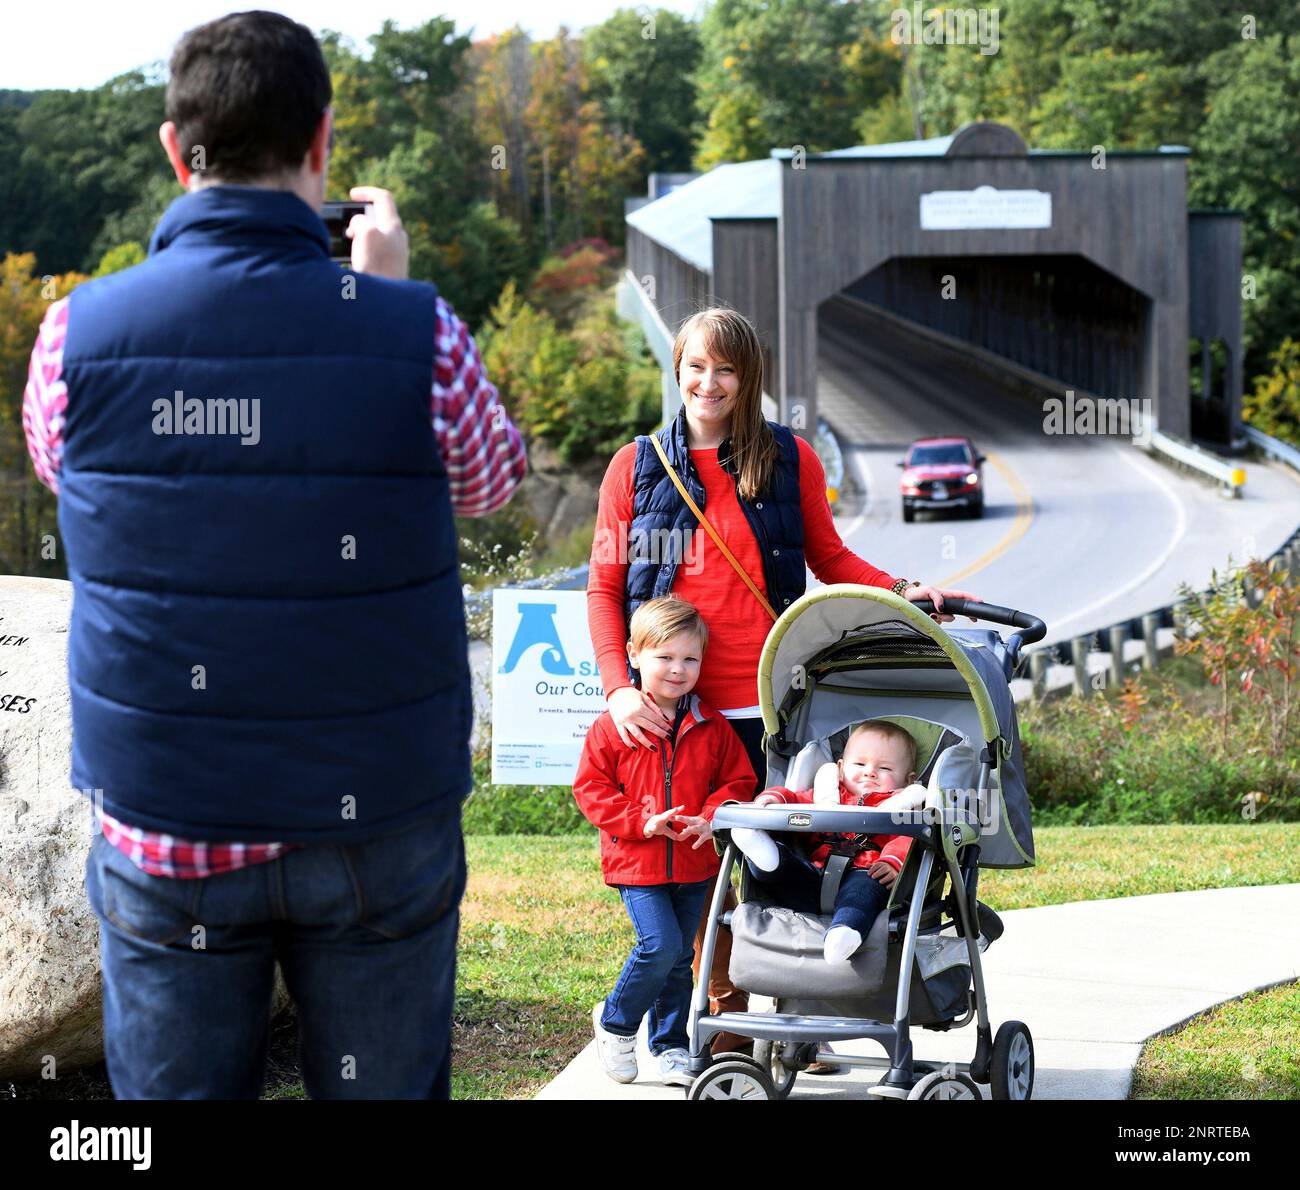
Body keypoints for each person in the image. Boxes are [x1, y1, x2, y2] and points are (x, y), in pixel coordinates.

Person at [21, 10, 526, 1099]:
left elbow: (81, 484)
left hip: (168, 816)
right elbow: (493, 480)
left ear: (174, 148)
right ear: (324, 142)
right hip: (374, 811)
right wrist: (379, 292)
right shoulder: (414, 329)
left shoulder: (74, 333)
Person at [586, 304, 980, 1059]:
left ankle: (800, 1017)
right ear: (678, 368)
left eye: (726, 369)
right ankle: (729, 1030)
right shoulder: (635, 467)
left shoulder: (789, 459)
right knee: (702, 875)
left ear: (749, 377)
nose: (709, 382)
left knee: (790, 864)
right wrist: (618, 686)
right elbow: (605, 588)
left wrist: (900, 590)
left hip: (770, 706)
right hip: (676, 711)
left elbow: (831, 559)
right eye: (696, 365)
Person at [572, 596, 757, 1086]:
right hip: (638, 862)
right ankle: (615, 1023)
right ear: (633, 654)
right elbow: (591, 790)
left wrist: (711, 818)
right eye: (664, 657)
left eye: (689, 659)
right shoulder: (613, 726)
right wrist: (641, 821)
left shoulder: (712, 725)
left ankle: (671, 1045)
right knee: (660, 946)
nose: (678, 670)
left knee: (680, 958)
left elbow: (738, 783)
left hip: (695, 862)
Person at [731, 720, 926, 963]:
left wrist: (894, 863)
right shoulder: (828, 794)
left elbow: (905, 839)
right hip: (814, 874)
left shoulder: (902, 806)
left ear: (908, 779)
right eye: (860, 763)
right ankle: (766, 857)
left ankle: (845, 931)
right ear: (841, 768)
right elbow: (795, 800)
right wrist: (773, 799)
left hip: (865, 872)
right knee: (787, 870)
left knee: (863, 893)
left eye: (885, 768)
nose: (870, 772)